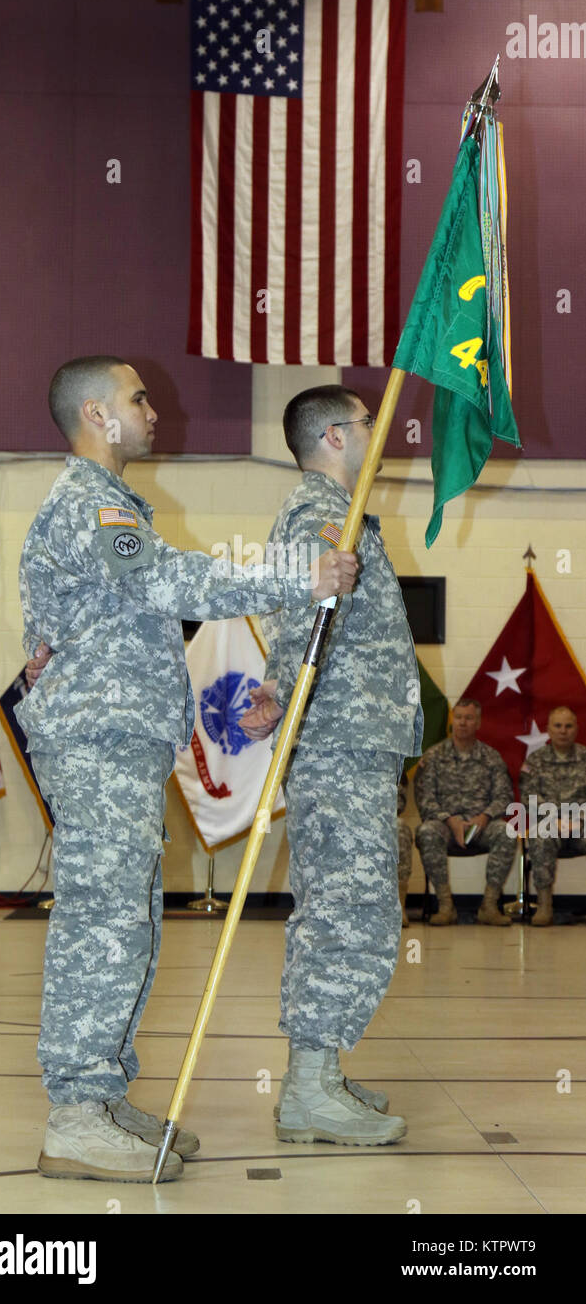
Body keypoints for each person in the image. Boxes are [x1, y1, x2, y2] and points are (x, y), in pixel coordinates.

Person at [17, 355, 356, 1184]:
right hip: (95, 742)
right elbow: (167, 578)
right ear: (97, 414)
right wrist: (293, 572)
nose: (152, 409)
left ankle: (101, 1096)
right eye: (137, 398)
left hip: (118, 740)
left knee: (130, 920)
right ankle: (73, 1115)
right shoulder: (88, 502)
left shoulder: (111, 503)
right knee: (101, 925)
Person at [240, 384, 423, 1148]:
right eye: (368, 421)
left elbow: (304, 620)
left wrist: (281, 690)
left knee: (348, 906)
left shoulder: (339, 513)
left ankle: (320, 1075)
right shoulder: (321, 512)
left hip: (349, 741)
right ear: (335, 437)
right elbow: (307, 612)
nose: (380, 431)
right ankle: (309, 1088)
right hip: (339, 745)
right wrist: (284, 691)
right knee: (348, 912)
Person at [414, 699, 515, 926]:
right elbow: (424, 798)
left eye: (469, 718)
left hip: (482, 826)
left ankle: (489, 905)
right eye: (458, 717)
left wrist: (484, 817)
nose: (463, 723)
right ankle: (445, 905)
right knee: (427, 831)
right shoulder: (434, 756)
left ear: (478, 722)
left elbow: (504, 797)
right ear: (453, 721)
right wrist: (450, 820)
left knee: (507, 832)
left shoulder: (491, 757)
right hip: (446, 827)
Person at [519, 706, 586, 926]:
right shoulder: (535, 761)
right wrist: (554, 820)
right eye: (557, 726)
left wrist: (578, 819)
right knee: (539, 836)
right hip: (549, 825)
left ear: (576, 729)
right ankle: (544, 904)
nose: (563, 731)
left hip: (582, 826)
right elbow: (528, 797)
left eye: (568, 726)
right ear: (548, 729)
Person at [397, 772, 414, 928]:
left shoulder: (391, 762)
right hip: (345, 820)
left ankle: (398, 906)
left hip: (380, 818)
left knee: (400, 827)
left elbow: (399, 804)